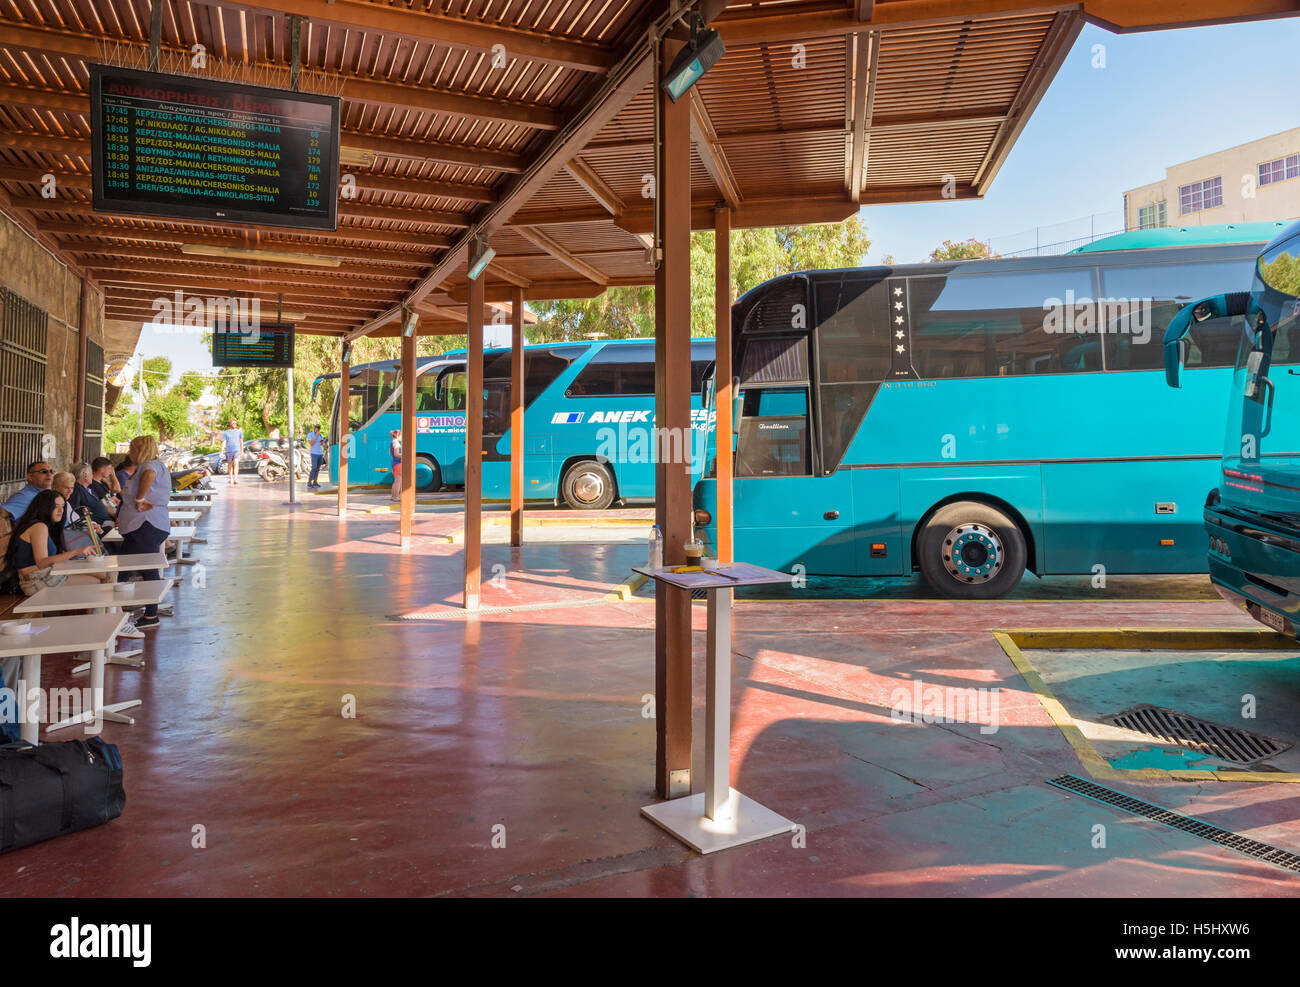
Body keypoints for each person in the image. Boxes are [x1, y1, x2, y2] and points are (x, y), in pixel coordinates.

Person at [116, 435, 171, 630]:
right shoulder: (151, 465)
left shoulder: (150, 465)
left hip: (145, 525)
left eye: (132, 450)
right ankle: (115, 611)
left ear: (141, 451)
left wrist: (140, 499)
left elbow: (149, 476)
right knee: (124, 567)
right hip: (140, 526)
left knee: (147, 569)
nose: (129, 454)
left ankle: (150, 615)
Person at [2, 489, 98, 596]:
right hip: (35, 581)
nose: (60, 510)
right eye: (56, 506)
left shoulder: (42, 525)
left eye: (62, 506)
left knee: (103, 575)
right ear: (44, 507)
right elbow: (42, 562)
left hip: (43, 576)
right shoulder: (39, 527)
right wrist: (76, 552)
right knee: (97, 583)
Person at [221, 418, 244, 486]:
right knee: (230, 465)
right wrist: (221, 451)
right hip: (229, 451)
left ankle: (235, 478)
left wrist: (242, 450)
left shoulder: (239, 432)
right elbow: (224, 442)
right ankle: (231, 478)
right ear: (230, 424)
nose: (234, 424)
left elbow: (241, 441)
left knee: (236, 463)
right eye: (233, 423)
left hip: (236, 450)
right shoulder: (226, 432)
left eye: (235, 423)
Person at [306, 423, 326, 490]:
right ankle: (309, 482)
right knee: (314, 468)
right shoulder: (310, 434)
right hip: (314, 453)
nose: (317, 429)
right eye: (316, 428)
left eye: (318, 428)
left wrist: (325, 445)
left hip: (320, 453)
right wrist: (316, 437)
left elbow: (322, 444)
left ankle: (315, 482)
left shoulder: (320, 435)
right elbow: (311, 443)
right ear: (314, 428)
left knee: (318, 468)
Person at [389, 429, 402, 502]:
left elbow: (390, 454)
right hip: (398, 463)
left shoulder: (392, 442)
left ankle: (393, 496)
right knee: (398, 481)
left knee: (395, 481)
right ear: (398, 435)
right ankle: (396, 497)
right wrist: (404, 455)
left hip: (393, 463)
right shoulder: (397, 443)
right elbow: (396, 454)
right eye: (401, 436)